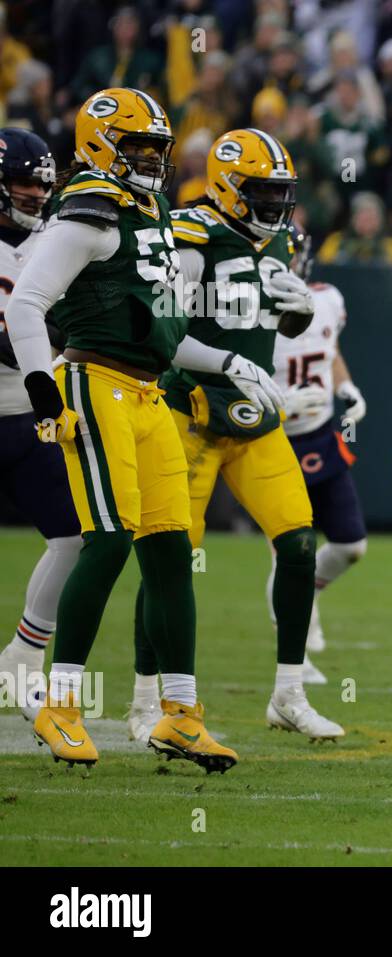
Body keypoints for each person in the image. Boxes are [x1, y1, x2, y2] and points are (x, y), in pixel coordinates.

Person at [5, 88, 250, 771]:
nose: (148, 161)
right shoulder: (87, 210)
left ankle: (179, 713)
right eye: (135, 147)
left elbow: (165, 331)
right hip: (95, 384)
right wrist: (44, 393)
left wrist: (227, 362)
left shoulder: (151, 211)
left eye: (155, 149)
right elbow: (28, 304)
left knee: (170, 553)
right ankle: (59, 702)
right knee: (107, 541)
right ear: (97, 145)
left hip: (148, 392)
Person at [128, 128, 343, 744]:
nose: (276, 204)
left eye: (282, 191)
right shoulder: (192, 238)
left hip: (250, 417)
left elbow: (270, 321)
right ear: (228, 185)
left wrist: (295, 304)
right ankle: (146, 701)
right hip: (187, 413)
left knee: (299, 544)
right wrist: (226, 363)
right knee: (167, 563)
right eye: (263, 190)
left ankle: (289, 693)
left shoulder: (274, 239)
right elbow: (164, 335)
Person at [0, 129, 80, 719]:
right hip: (22, 394)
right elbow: (9, 345)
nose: (36, 195)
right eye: (24, 184)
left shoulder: (56, 238)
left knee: (75, 536)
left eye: (43, 185)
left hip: (28, 417)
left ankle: (22, 659)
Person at [270, 227, 368, 663]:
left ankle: (305, 593)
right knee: (292, 546)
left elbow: (331, 351)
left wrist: (346, 387)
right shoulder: (248, 310)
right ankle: (294, 653)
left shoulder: (328, 298)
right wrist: (278, 405)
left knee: (351, 545)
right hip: (271, 439)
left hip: (322, 432)